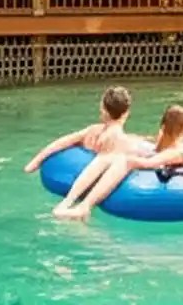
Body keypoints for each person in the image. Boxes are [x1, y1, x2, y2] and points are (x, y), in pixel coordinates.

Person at [52, 105, 183, 221]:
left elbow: (158, 155)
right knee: (129, 159)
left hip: (179, 157)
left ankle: (84, 207)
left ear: (163, 126)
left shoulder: (181, 151)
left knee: (126, 162)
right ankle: (83, 206)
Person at [23, 86, 150, 215]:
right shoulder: (121, 140)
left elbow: (63, 142)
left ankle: (67, 202)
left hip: (88, 161)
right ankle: (78, 205)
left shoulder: (93, 131)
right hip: (104, 168)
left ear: (103, 109)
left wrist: (36, 161)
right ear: (126, 113)